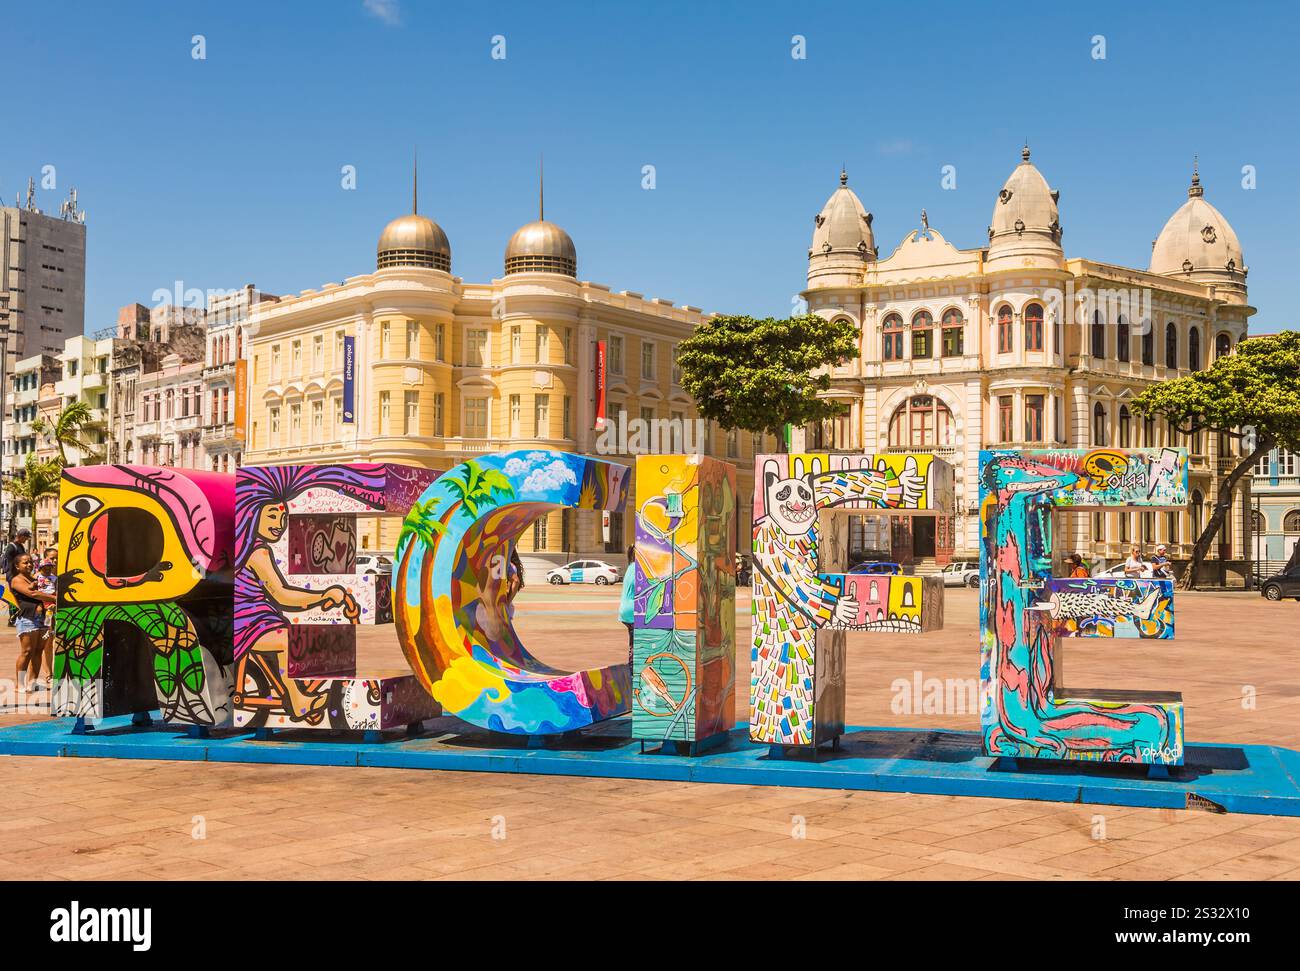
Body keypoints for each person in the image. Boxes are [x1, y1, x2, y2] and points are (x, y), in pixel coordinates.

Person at [9, 553, 55, 693]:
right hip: (28, 619)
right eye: (25, 563)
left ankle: (32, 682)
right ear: (17, 566)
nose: (29, 565)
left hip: (42, 618)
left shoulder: (34, 578)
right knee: (27, 651)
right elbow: (33, 595)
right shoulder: (16, 580)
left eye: (30, 562)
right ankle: (20, 684)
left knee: (38, 651)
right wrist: (55, 598)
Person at [2, 528, 31, 628]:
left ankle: (19, 617)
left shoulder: (20, 546)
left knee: (20, 597)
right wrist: (13, 576)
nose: (26, 540)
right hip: (13, 576)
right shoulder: (11, 547)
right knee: (14, 598)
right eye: (26, 538)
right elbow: (8, 563)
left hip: (20, 575)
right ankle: (12, 620)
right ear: (21, 536)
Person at [619, 546, 636, 666]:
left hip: (625, 610)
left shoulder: (631, 567)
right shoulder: (638, 569)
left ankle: (631, 666)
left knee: (633, 641)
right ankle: (632, 668)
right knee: (637, 643)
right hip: (632, 610)